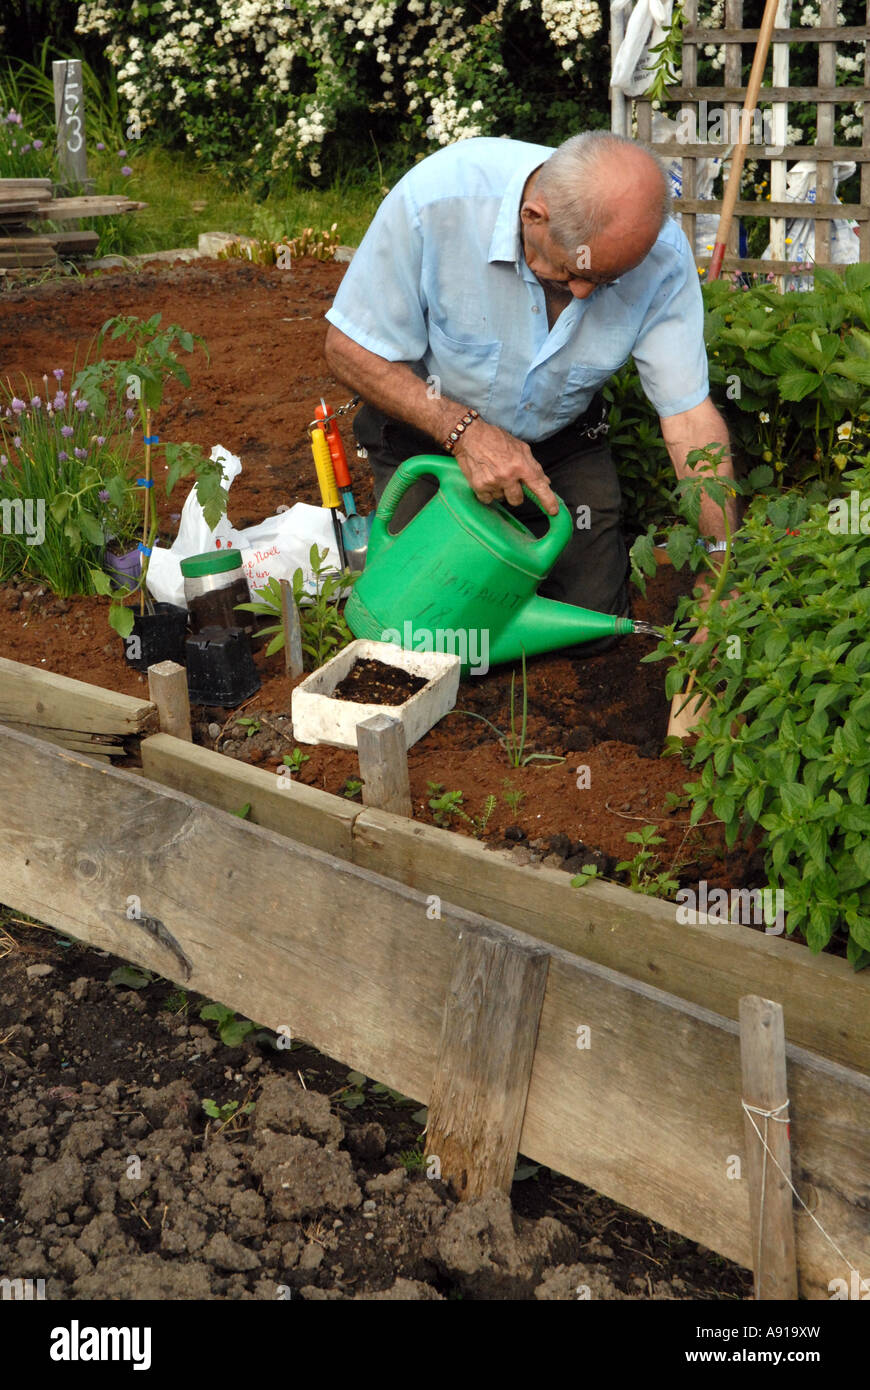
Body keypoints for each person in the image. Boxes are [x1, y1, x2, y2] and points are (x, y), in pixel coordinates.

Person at [324, 130, 737, 654]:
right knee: (419, 631)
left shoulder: (661, 259)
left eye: (606, 282)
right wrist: (465, 434)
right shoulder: (439, 202)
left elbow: (690, 419)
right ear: (533, 216)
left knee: (589, 627)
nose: (585, 293)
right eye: (570, 274)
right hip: (428, 434)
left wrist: (720, 560)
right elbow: (346, 349)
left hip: (561, 438)